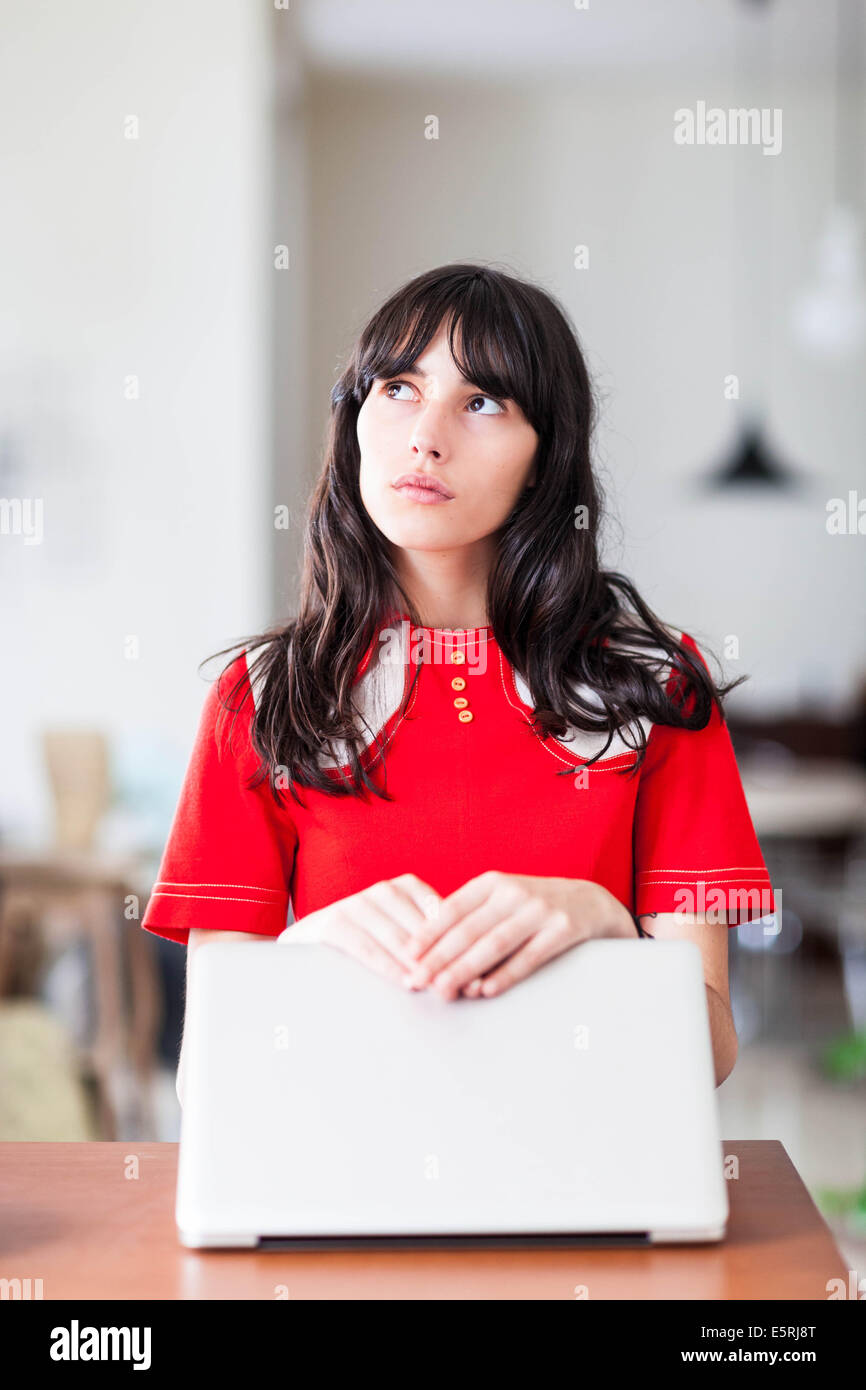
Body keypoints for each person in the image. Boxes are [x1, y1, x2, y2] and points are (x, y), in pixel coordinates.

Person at [141, 262, 775, 1098]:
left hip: (588, 1174)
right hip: (339, 1181)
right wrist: (307, 953)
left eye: (482, 403)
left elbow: (711, 1053)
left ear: (548, 459)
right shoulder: (260, 695)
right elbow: (210, 1073)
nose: (425, 435)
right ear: (355, 421)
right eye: (398, 388)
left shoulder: (655, 688)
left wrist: (606, 924)